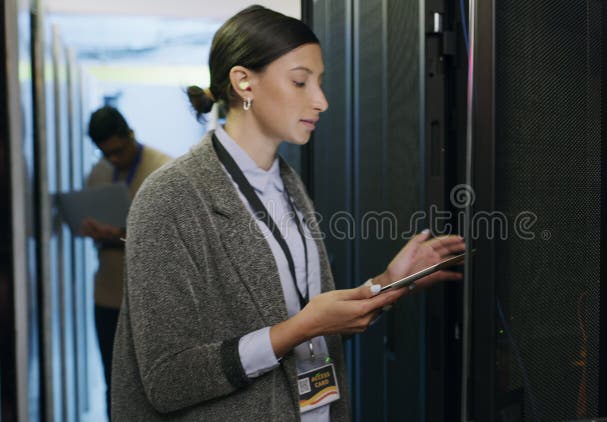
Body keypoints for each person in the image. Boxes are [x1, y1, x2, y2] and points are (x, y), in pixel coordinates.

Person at [110, 5, 465, 421]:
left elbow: (310, 322)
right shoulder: (170, 197)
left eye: (320, 83)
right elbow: (168, 379)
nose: (321, 101)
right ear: (244, 82)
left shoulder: (287, 184)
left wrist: (388, 283)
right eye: (300, 82)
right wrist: (301, 328)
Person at [83, 106, 171, 416]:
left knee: (155, 387)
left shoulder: (163, 170)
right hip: (108, 295)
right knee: (113, 383)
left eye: (118, 151)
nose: (114, 160)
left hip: (151, 299)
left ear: (131, 134)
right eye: (107, 154)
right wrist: (92, 229)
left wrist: (119, 235)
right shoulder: (99, 173)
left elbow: (167, 240)